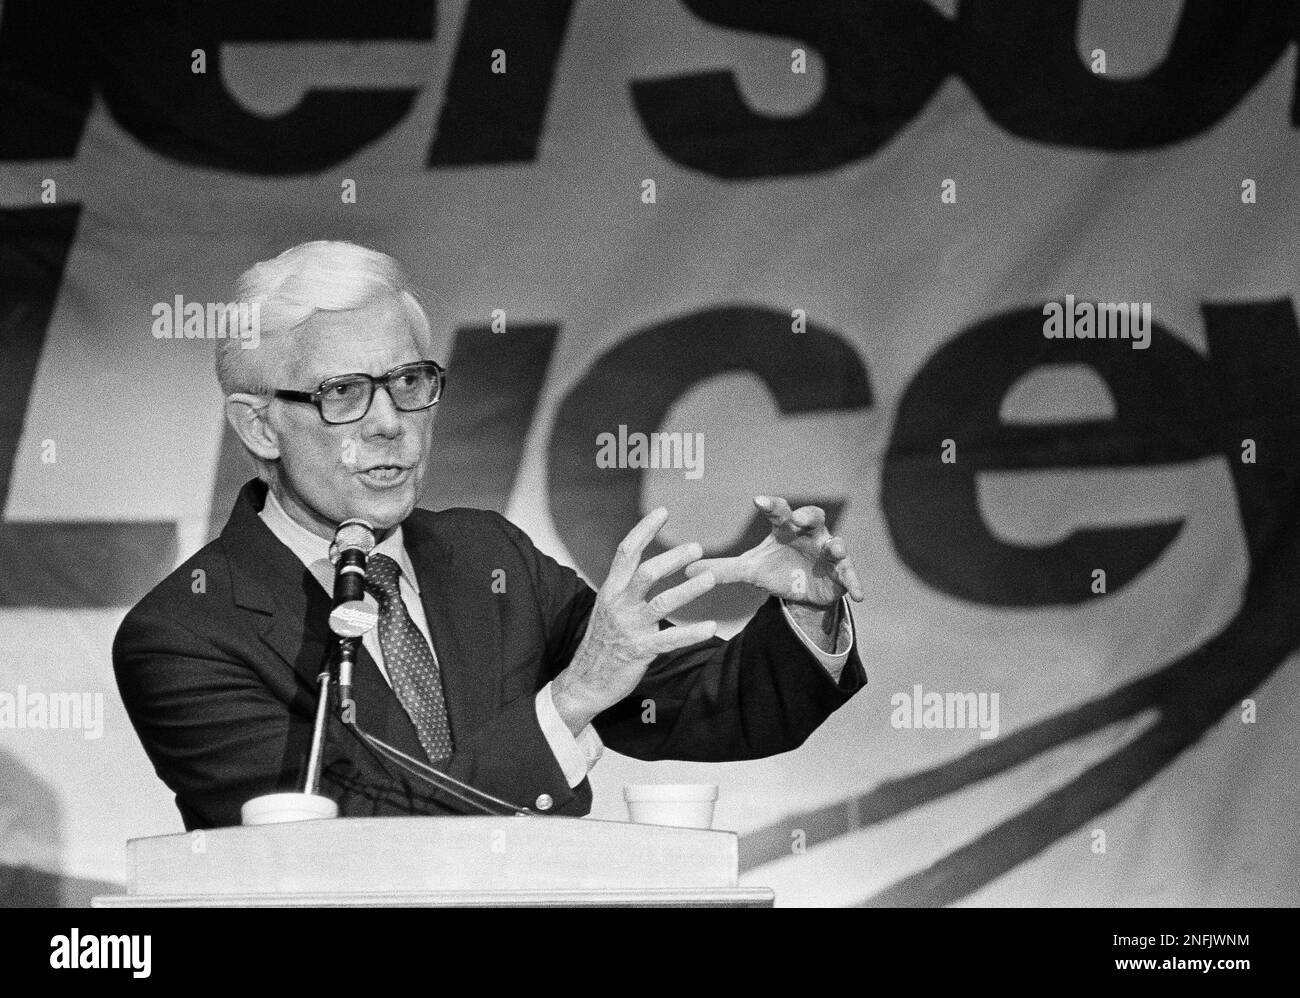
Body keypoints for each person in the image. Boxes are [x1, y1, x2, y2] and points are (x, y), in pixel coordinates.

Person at [113, 241, 868, 830]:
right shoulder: (185, 635)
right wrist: (566, 703)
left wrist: (810, 613)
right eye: (343, 393)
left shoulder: (489, 559)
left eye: (408, 382)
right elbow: (350, 849)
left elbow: (715, 706)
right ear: (258, 424)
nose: (388, 423)